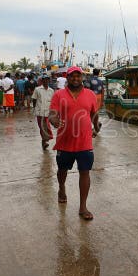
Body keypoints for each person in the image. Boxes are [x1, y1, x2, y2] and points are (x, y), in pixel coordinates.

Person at [49, 67, 100, 220]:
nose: (75, 79)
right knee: (62, 170)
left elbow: (94, 114)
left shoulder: (90, 94)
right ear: (67, 77)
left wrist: (96, 128)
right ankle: (61, 188)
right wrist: (54, 121)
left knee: (85, 172)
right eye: (72, 76)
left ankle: (83, 207)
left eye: (78, 76)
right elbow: (52, 113)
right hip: (64, 141)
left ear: (82, 77)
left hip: (85, 141)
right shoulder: (59, 94)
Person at [32, 75, 55, 149]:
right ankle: (44, 141)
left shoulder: (51, 90)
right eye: (44, 80)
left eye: (47, 79)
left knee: (47, 126)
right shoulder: (37, 89)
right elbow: (34, 99)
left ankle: (44, 140)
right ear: (42, 81)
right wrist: (35, 108)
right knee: (42, 127)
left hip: (48, 111)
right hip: (40, 111)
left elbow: (53, 101)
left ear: (49, 81)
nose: (46, 81)